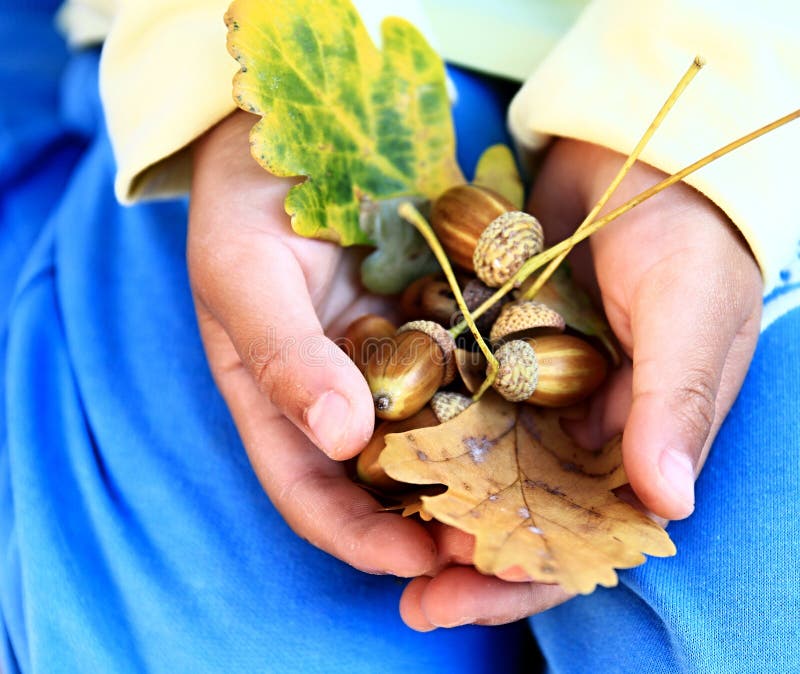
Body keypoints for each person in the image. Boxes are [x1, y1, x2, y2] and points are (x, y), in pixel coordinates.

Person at [2, 0, 798, 671]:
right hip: (291, 71)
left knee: (750, 632)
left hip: (725, 98)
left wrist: (700, 120)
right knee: (197, 638)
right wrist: (229, 103)